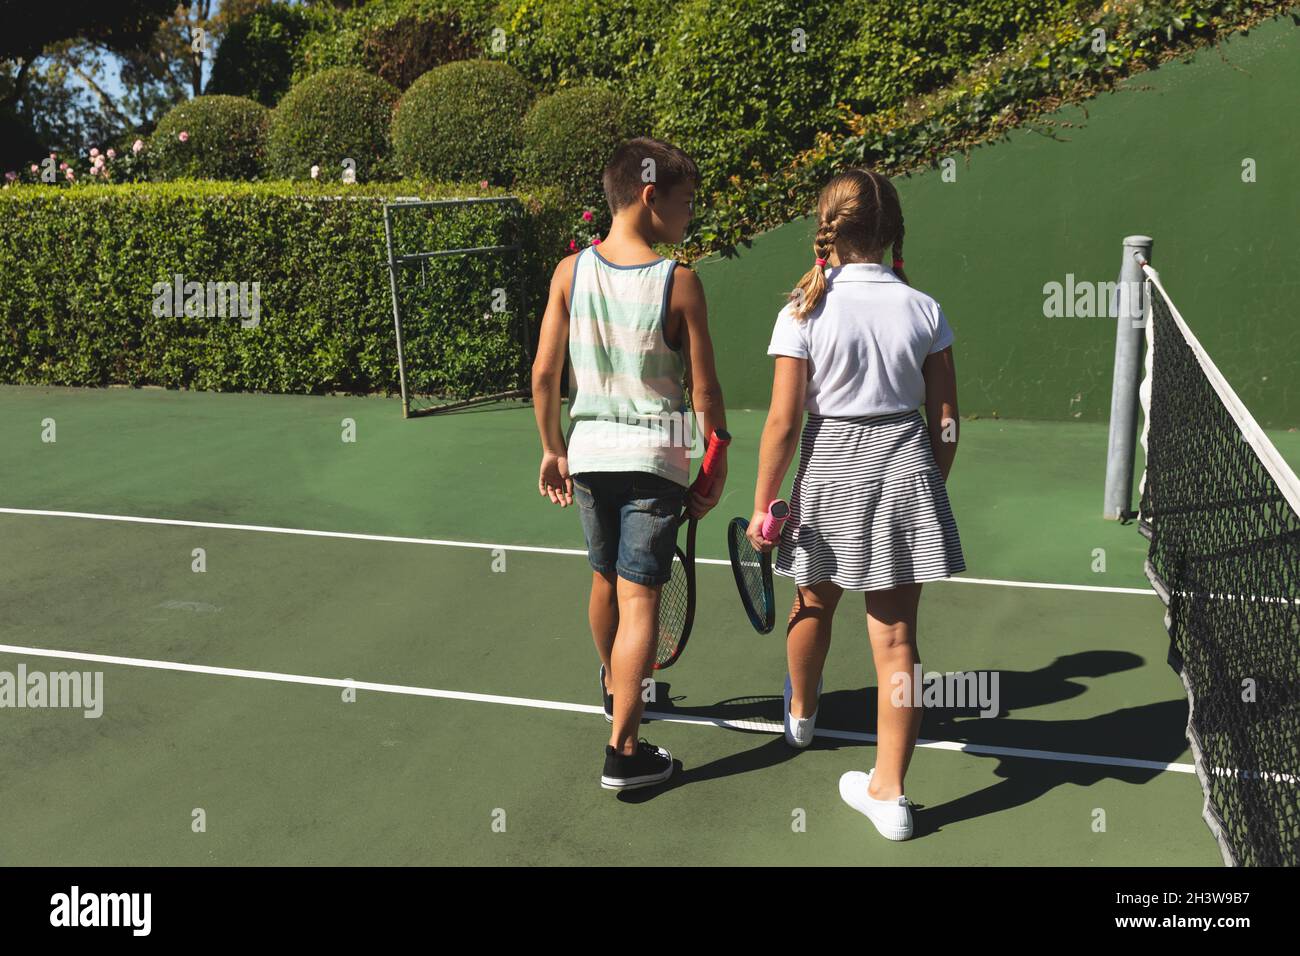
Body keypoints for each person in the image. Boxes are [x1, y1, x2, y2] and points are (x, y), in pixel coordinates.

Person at [749, 167, 965, 839]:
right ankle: (891, 793)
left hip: (828, 475)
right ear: (893, 233)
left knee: (812, 601)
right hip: (906, 472)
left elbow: (784, 424)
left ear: (828, 233)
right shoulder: (925, 309)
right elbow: (949, 423)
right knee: (898, 639)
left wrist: (764, 504)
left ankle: (803, 717)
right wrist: (930, 483)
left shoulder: (801, 310)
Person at [531, 136, 727, 791]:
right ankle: (623, 750)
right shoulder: (681, 283)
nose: (690, 213)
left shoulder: (568, 273)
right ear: (650, 197)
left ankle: (617, 683)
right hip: (656, 464)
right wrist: (715, 461)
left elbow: (542, 375)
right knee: (642, 600)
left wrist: (553, 448)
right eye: (686, 201)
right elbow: (705, 392)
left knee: (605, 581)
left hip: (589, 459)